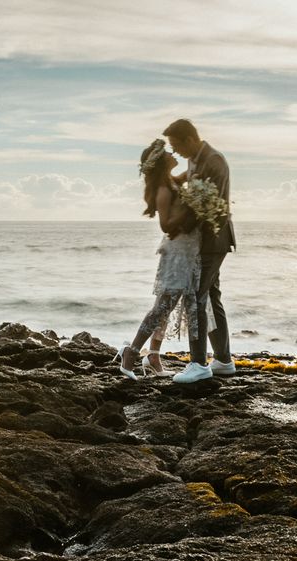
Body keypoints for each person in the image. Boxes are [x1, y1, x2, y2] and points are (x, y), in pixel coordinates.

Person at [115, 138, 206, 380]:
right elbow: (165, 225)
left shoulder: (172, 182)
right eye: (167, 153)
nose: (172, 153)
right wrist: (191, 212)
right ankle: (131, 353)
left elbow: (192, 172)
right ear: (161, 162)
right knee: (162, 306)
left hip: (187, 250)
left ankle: (153, 355)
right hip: (177, 254)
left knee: (167, 306)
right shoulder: (165, 189)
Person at [164, 119, 235, 384]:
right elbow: (180, 183)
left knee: (195, 296)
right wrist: (162, 173)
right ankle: (223, 360)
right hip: (201, 241)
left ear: (190, 139)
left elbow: (205, 205)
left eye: (176, 145)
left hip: (213, 240)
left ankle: (198, 364)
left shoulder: (214, 160)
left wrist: (176, 227)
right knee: (211, 296)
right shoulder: (194, 160)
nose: (176, 151)